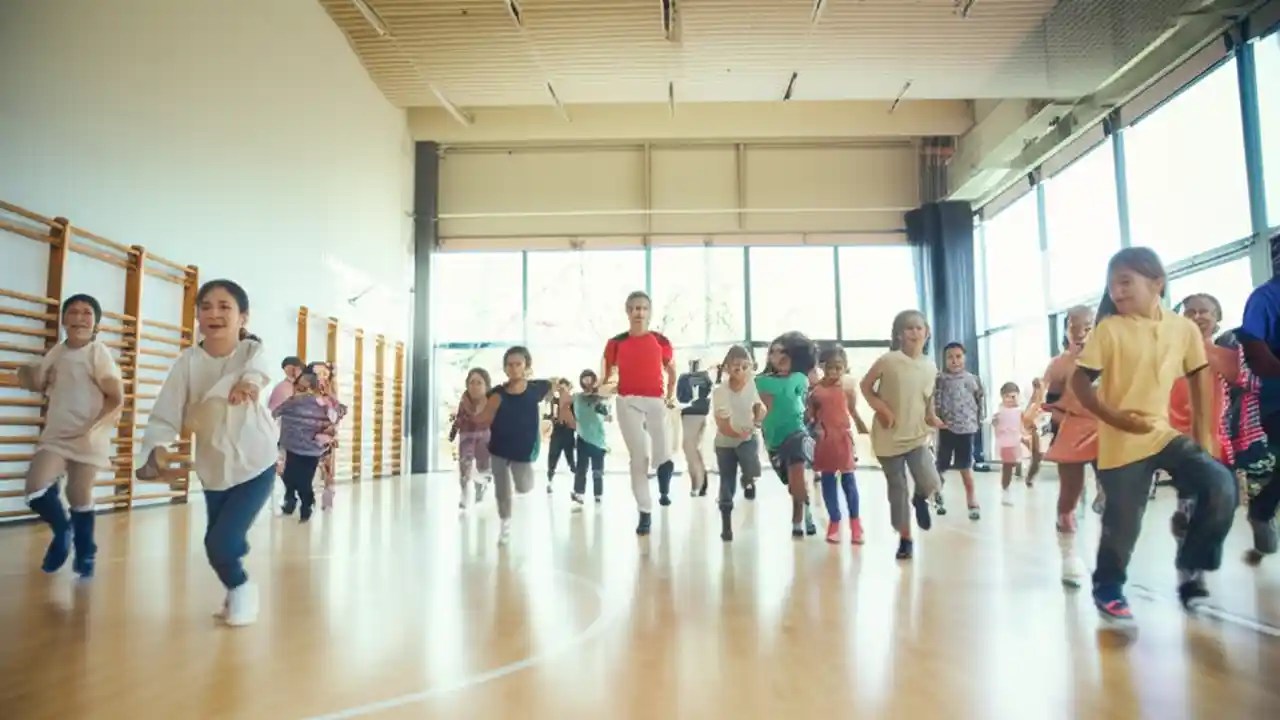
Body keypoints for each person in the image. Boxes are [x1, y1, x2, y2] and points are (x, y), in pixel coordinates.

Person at [1070, 247, 1237, 629]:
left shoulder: (1182, 329)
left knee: (1220, 485)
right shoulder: (1109, 330)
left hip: (1162, 435)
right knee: (1123, 524)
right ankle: (1108, 587)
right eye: (1112, 285)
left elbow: (1198, 374)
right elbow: (1082, 381)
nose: (1117, 291)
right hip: (1121, 442)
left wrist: (1202, 434)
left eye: (1125, 282)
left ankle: (1193, 565)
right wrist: (1113, 417)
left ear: (1156, 282)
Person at [137, 280, 278, 627]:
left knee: (221, 541)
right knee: (217, 542)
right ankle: (233, 588)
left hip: (256, 464)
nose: (214, 313)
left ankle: (243, 588)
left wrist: (248, 385)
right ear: (198, 315)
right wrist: (157, 448)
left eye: (224, 306)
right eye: (205, 306)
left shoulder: (250, 351)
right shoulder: (187, 361)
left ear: (242, 317)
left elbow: (257, 372)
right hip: (213, 468)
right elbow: (166, 410)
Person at [17, 294, 123, 579]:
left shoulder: (98, 353)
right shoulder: (56, 351)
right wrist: (29, 374)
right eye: (73, 312)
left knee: (78, 494)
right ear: (63, 320)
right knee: (35, 487)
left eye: (87, 313)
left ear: (96, 323)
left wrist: (96, 428)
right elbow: (39, 382)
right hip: (57, 435)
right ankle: (63, 531)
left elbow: (116, 396)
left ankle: (86, 553)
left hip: (89, 437)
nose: (79, 317)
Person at [860, 309, 944, 560]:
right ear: (899, 335)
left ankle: (921, 500)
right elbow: (866, 387)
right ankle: (905, 539)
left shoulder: (930, 366)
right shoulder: (889, 361)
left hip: (917, 435)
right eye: (909, 328)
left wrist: (932, 417)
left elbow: (927, 399)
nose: (915, 332)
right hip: (888, 436)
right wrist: (882, 409)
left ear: (927, 333)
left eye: (919, 328)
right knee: (897, 489)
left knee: (931, 482)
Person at [602, 290, 677, 536]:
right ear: (627, 311)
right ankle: (645, 512)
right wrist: (603, 388)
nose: (639, 312)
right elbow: (606, 377)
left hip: (656, 400)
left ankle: (664, 481)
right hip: (627, 401)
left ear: (650, 312)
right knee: (638, 457)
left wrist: (671, 395)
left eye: (643, 308)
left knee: (663, 450)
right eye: (634, 308)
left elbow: (672, 371)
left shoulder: (660, 341)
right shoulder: (616, 343)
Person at [471, 346, 561, 546]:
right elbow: (483, 416)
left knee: (524, 486)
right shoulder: (497, 394)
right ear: (504, 368)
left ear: (526, 367)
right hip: (499, 448)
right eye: (509, 365)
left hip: (523, 451)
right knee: (502, 491)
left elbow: (555, 387)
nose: (513, 368)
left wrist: (560, 399)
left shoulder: (537, 388)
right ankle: (505, 525)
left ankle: (497, 481)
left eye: (518, 364)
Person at [1040, 305, 1099, 587]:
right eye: (1073, 327)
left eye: (1087, 326)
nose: (1080, 333)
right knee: (1069, 496)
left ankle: (1110, 564)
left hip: (1108, 429)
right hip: (1073, 428)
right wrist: (1063, 419)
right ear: (1065, 330)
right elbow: (1047, 404)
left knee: (1119, 491)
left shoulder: (1113, 358)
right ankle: (1069, 555)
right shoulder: (1060, 364)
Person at [757, 332, 819, 539]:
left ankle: (797, 521)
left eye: (783, 352)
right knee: (792, 485)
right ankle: (806, 506)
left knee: (797, 476)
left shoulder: (800, 378)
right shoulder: (759, 381)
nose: (778, 356)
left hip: (796, 433)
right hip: (773, 438)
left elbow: (803, 391)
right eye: (773, 352)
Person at [809, 346, 869, 544]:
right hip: (825, 441)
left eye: (838, 368)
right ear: (822, 366)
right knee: (827, 480)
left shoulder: (847, 389)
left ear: (844, 368)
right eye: (830, 368)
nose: (834, 372)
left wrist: (861, 425)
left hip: (843, 439)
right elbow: (810, 415)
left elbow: (852, 410)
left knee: (848, 480)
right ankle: (834, 521)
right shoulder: (816, 390)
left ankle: (855, 523)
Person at [712, 346, 766, 541]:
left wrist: (759, 414)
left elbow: (760, 406)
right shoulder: (720, 392)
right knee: (727, 481)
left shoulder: (752, 385)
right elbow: (723, 424)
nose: (742, 372)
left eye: (746, 367)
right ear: (727, 369)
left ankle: (748, 478)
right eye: (736, 368)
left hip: (748, 436)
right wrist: (739, 434)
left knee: (752, 465)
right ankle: (726, 523)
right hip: (726, 441)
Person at [272, 371, 331, 522]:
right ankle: (293, 502)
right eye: (299, 387)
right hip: (294, 446)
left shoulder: (323, 404)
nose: (302, 392)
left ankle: (306, 505)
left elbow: (333, 421)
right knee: (291, 477)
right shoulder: (293, 401)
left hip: (311, 448)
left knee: (302, 479)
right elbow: (276, 412)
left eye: (305, 388)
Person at [933, 341, 983, 520]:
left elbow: (978, 400)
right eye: (950, 357)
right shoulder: (940, 379)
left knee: (965, 465)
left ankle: (972, 500)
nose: (954, 361)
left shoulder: (972, 379)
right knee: (942, 465)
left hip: (967, 429)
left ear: (965, 358)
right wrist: (936, 419)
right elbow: (936, 400)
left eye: (958, 357)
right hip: (947, 428)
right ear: (944, 360)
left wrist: (977, 421)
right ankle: (937, 494)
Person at [991, 380, 1044, 507]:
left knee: (1011, 465)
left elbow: (1024, 419)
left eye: (1013, 396)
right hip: (1006, 444)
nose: (1010, 399)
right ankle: (1005, 490)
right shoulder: (1001, 412)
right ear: (1002, 397)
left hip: (1014, 442)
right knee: (1008, 466)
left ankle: (1007, 488)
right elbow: (997, 424)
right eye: (1007, 397)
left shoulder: (1019, 411)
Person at [450, 368, 492, 510]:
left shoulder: (491, 401)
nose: (474, 386)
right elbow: (460, 418)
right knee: (465, 464)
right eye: (471, 383)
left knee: (483, 467)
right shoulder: (464, 401)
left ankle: (480, 488)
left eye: (479, 383)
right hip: (467, 435)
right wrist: (453, 431)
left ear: (486, 385)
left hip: (484, 436)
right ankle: (464, 493)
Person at [570, 369, 611, 508]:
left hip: (598, 440)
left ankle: (598, 495)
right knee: (581, 468)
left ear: (594, 380)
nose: (587, 381)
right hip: (582, 437)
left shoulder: (600, 398)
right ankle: (579, 494)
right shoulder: (577, 397)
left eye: (589, 379)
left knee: (597, 470)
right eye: (584, 379)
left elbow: (606, 413)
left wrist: (599, 399)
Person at [677, 359, 713, 496]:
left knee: (689, 448)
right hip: (698, 413)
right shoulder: (704, 377)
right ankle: (700, 482)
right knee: (693, 448)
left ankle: (698, 483)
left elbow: (680, 396)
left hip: (691, 414)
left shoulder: (687, 377)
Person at [545, 378, 577, 493]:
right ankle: (549, 482)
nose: (562, 390)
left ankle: (577, 485)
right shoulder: (555, 401)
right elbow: (551, 414)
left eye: (564, 388)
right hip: (557, 432)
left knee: (571, 461)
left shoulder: (573, 402)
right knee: (552, 458)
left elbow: (576, 419)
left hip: (568, 432)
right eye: (560, 388)